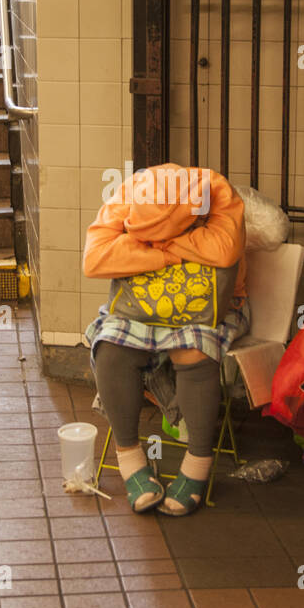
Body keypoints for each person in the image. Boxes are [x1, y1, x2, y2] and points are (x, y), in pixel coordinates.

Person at [82, 165, 250, 516]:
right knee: (111, 350)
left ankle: (198, 464)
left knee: (193, 349)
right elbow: (95, 259)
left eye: (164, 231)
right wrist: (176, 251)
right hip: (138, 307)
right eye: (146, 233)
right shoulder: (130, 191)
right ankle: (130, 460)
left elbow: (224, 251)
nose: (155, 238)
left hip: (208, 307)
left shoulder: (213, 191)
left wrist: (141, 248)